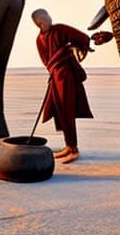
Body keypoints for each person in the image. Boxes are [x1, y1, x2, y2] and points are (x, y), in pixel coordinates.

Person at [31, 9, 111, 162]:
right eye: (45, 19)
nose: (49, 20)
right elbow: (46, 61)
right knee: (60, 112)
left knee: (67, 109)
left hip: (68, 77)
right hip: (56, 78)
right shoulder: (39, 40)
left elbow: (83, 38)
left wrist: (73, 49)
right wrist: (53, 71)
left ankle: (73, 148)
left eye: (49, 17)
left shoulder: (60, 29)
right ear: (39, 23)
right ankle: (69, 146)